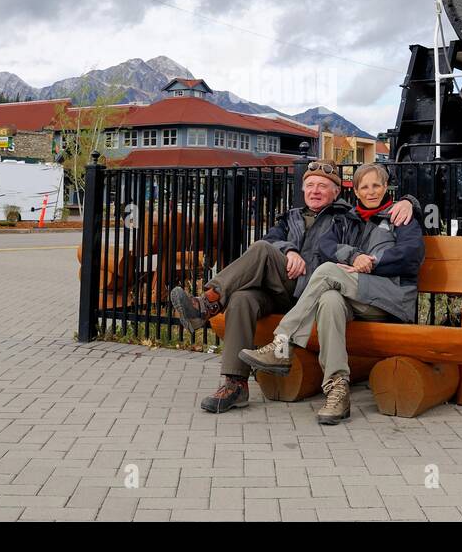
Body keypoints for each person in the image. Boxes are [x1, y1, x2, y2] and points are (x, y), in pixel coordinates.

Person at [170, 160, 418, 414]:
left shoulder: (344, 216)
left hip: (318, 288)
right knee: (243, 297)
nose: (315, 190)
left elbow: (393, 240)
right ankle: (235, 383)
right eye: (310, 185)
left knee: (282, 259)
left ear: (338, 191)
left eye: (323, 185)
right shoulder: (291, 217)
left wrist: (409, 201)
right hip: (289, 289)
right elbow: (275, 241)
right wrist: (289, 251)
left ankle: (211, 305)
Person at [238, 162, 424, 425]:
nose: (371, 192)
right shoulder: (346, 220)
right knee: (329, 300)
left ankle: (282, 344)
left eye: (376, 185)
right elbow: (326, 245)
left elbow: (411, 256)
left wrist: (373, 261)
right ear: (356, 192)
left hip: (389, 299)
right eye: (364, 187)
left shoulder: (400, 217)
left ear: (385, 188)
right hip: (355, 298)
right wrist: (354, 255)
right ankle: (337, 389)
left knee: (326, 272)